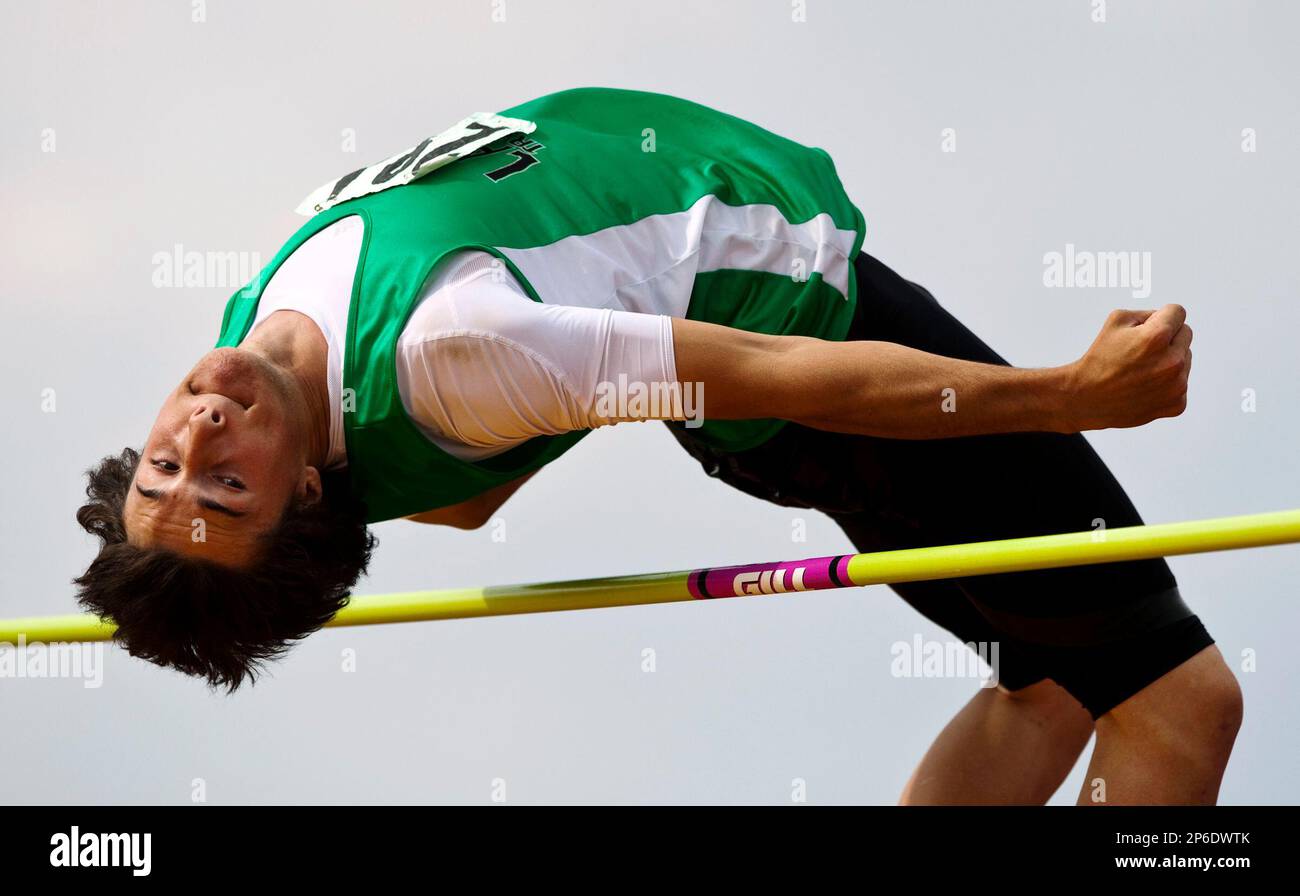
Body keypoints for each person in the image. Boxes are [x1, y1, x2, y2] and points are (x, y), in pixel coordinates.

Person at [74, 88, 1238, 804]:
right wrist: (1070, 393)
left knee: (1048, 691)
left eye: (166, 468)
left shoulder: (259, 333)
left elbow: (464, 497)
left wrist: (574, 364)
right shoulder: (454, 355)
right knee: (1178, 699)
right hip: (825, 355)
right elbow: (773, 374)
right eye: (227, 487)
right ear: (311, 488)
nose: (199, 430)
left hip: (779, 377)